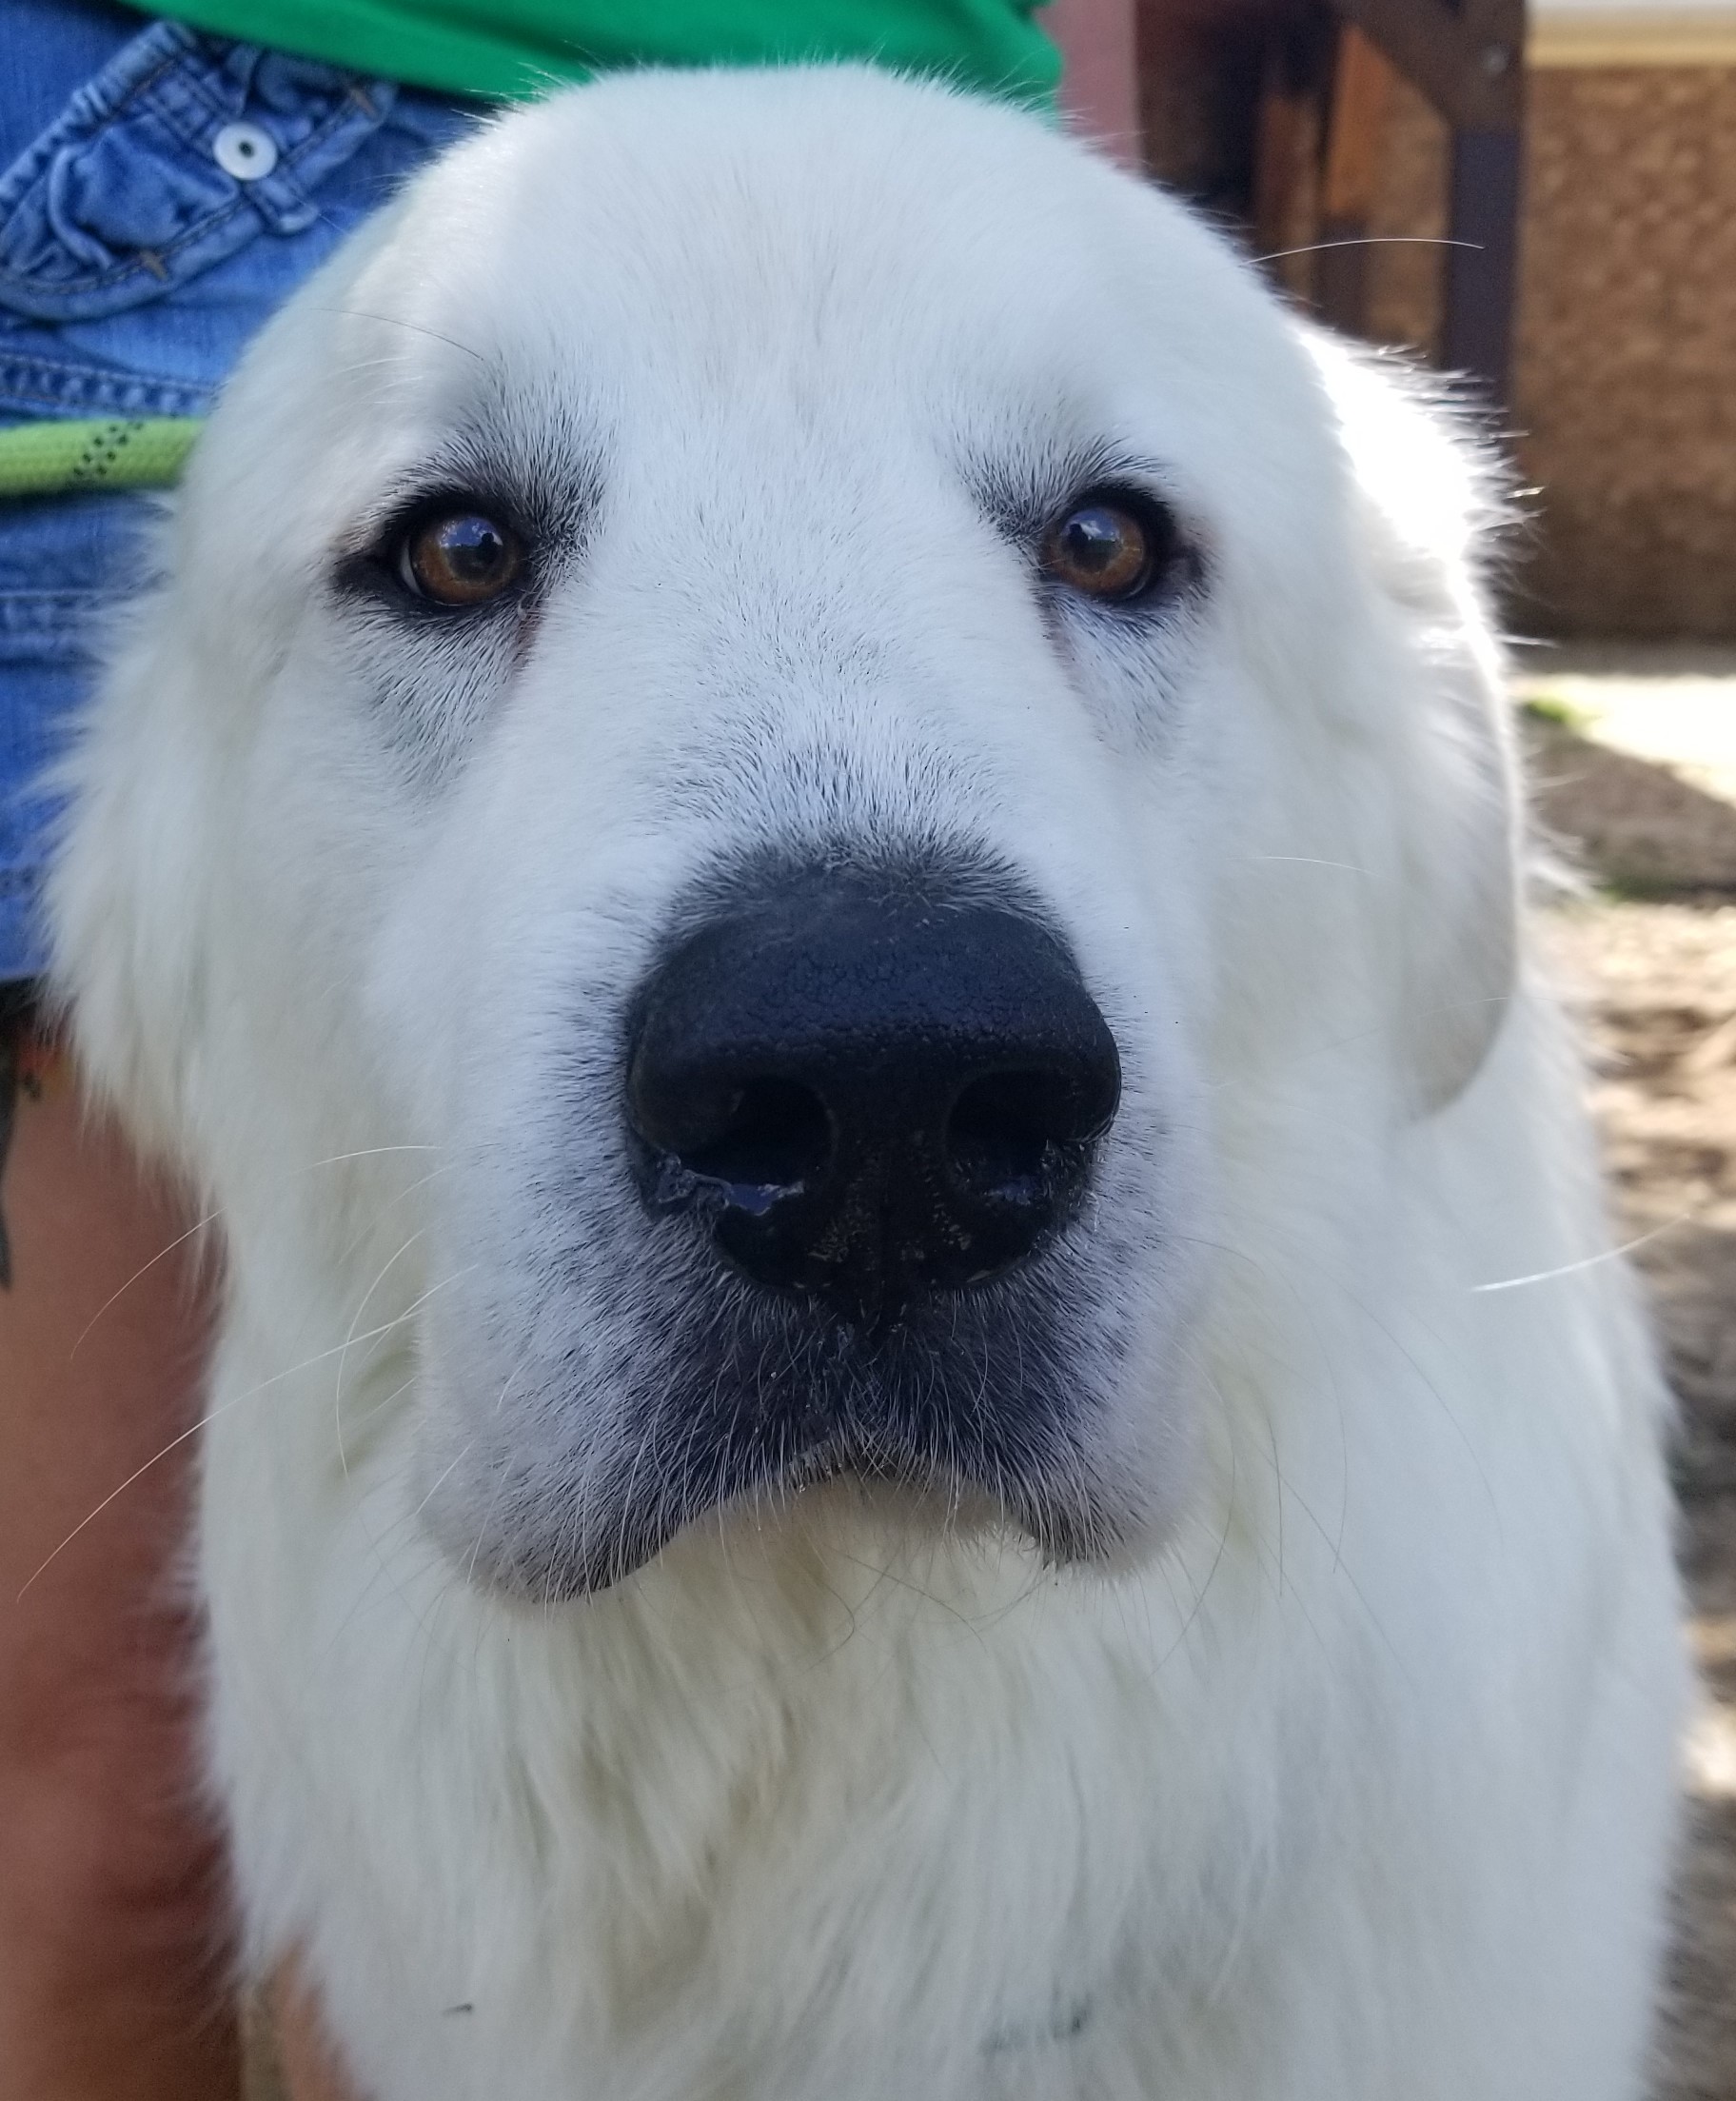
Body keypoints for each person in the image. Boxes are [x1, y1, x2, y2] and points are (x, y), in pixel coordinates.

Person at [0, 5, 1152, 2095]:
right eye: (466, 556)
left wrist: (1112, 235)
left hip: (924, 172)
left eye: (1104, 557)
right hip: (181, 169)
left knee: (882, 1899)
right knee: (123, 1813)